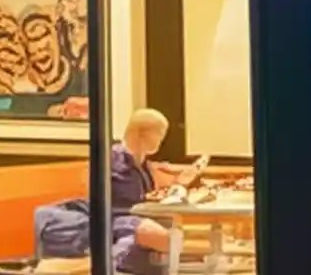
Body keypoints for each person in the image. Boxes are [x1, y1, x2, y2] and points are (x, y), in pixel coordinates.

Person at [35, 109, 208, 274]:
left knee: (171, 232)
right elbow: (121, 201)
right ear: (142, 133)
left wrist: (179, 183)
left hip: (131, 219)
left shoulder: (142, 164)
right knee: (160, 235)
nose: (162, 140)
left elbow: (143, 200)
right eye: (160, 134)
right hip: (114, 220)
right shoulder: (115, 159)